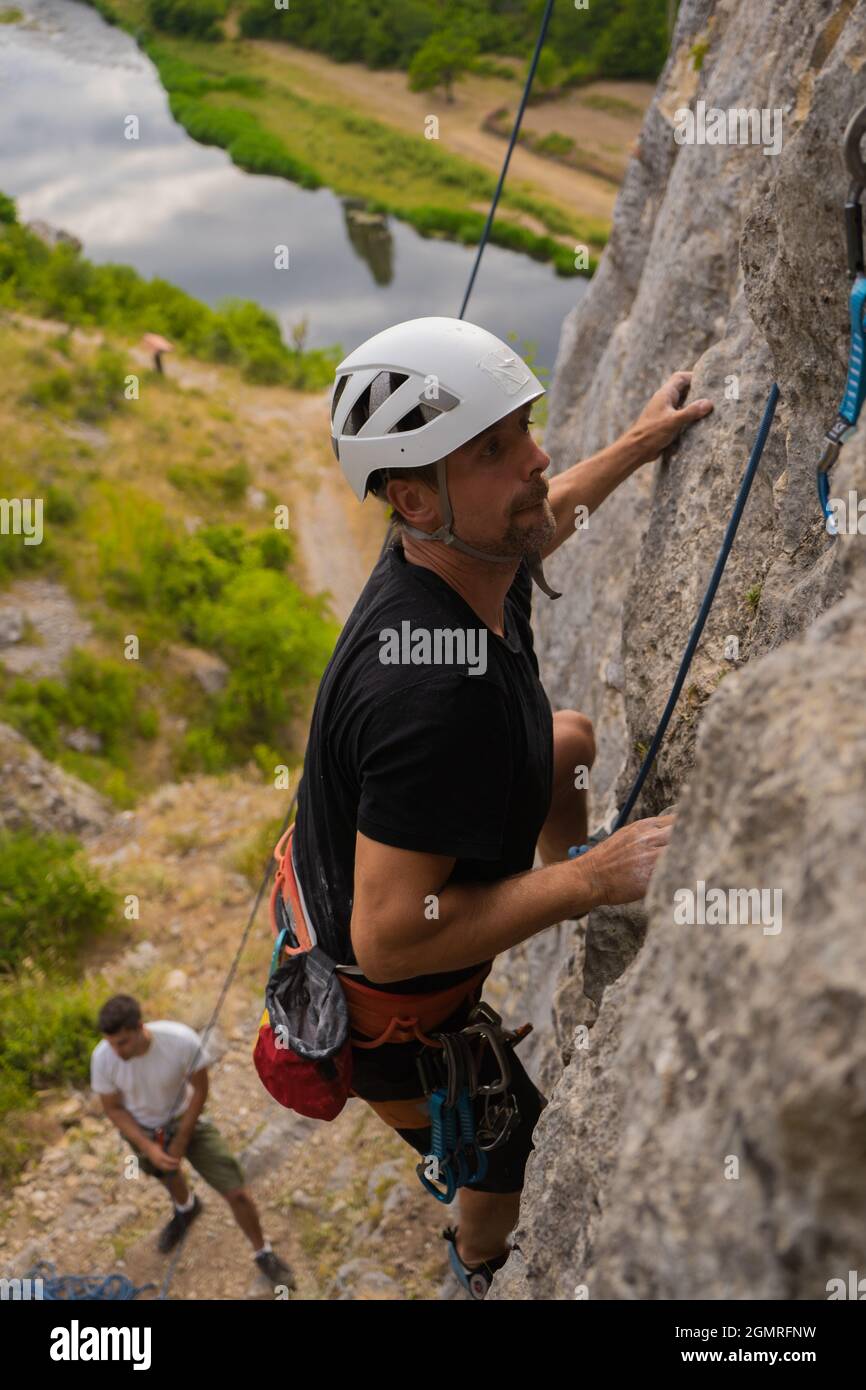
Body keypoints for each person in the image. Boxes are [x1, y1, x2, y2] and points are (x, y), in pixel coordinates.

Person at [290, 315, 712, 1297]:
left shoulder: (464, 556)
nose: (535, 456)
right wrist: (589, 879)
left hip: (382, 874)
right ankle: (475, 1264)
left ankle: (555, 871)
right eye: (494, 449)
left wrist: (642, 442)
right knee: (503, 1149)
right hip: (390, 1009)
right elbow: (393, 938)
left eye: (523, 426)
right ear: (411, 496)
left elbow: (545, 509)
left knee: (565, 738)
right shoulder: (430, 698)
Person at [91, 994, 294, 1291]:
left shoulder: (180, 1041)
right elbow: (113, 1108)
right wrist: (149, 1148)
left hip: (186, 1120)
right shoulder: (103, 1058)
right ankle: (186, 1208)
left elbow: (200, 1089)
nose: (116, 1051)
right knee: (166, 1173)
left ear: (139, 1028)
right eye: (111, 1043)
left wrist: (182, 1138)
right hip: (143, 1129)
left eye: (122, 1042)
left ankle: (263, 1252)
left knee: (235, 1190)